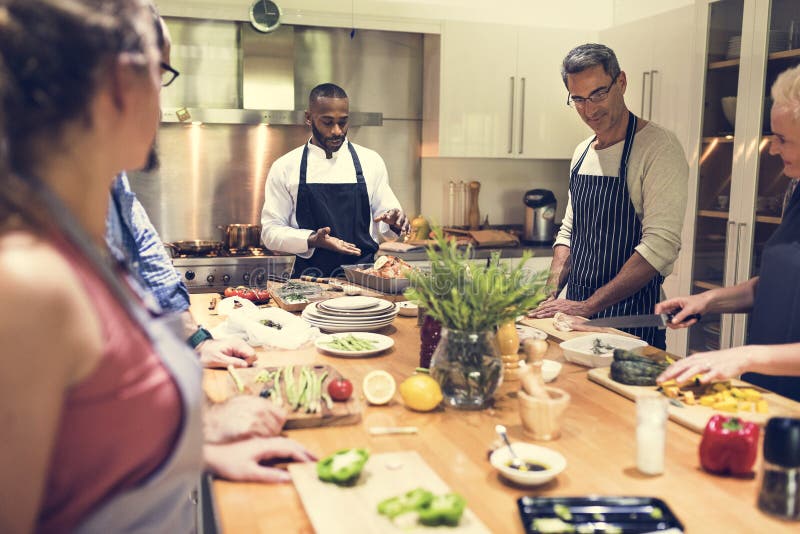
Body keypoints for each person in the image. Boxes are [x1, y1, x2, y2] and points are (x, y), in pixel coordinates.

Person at [0, 2, 313, 532]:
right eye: (162, 75)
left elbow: (85, 455)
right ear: (124, 82)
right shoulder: (27, 284)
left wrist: (195, 451)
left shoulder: (93, 250)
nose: (165, 106)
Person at [106, 13, 256, 370]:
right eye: (160, 76)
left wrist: (196, 340)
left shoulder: (112, 177)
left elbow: (144, 246)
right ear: (117, 79)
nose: (159, 108)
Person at [528, 43, 689, 349]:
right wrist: (548, 293)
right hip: (574, 323)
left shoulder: (659, 148)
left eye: (598, 94)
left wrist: (588, 306)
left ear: (622, 82)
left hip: (630, 325)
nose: (589, 110)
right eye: (578, 99)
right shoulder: (582, 151)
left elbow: (660, 248)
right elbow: (569, 232)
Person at [657, 64, 800, 402]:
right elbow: (777, 285)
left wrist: (743, 355)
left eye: (782, 139)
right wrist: (706, 301)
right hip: (768, 394)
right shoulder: (796, 193)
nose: (773, 148)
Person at [261, 82, 410, 278]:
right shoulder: (285, 167)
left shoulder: (371, 161)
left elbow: (387, 226)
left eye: (343, 122)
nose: (337, 131)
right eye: (328, 122)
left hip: (364, 281)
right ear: (308, 118)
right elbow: (270, 233)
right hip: (309, 282)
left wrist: (394, 222)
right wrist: (313, 239)